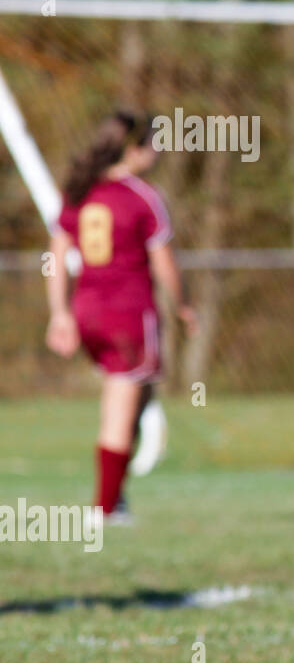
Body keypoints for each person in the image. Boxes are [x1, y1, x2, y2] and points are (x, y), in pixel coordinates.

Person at [45, 109, 197, 523]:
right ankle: (105, 508)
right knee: (121, 405)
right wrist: (183, 303)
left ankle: (115, 495)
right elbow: (164, 264)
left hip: (88, 312)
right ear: (135, 149)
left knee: (137, 395)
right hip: (128, 313)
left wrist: (60, 313)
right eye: (155, 144)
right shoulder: (142, 196)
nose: (160, 153)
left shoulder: (79, 191)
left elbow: (57, 257)